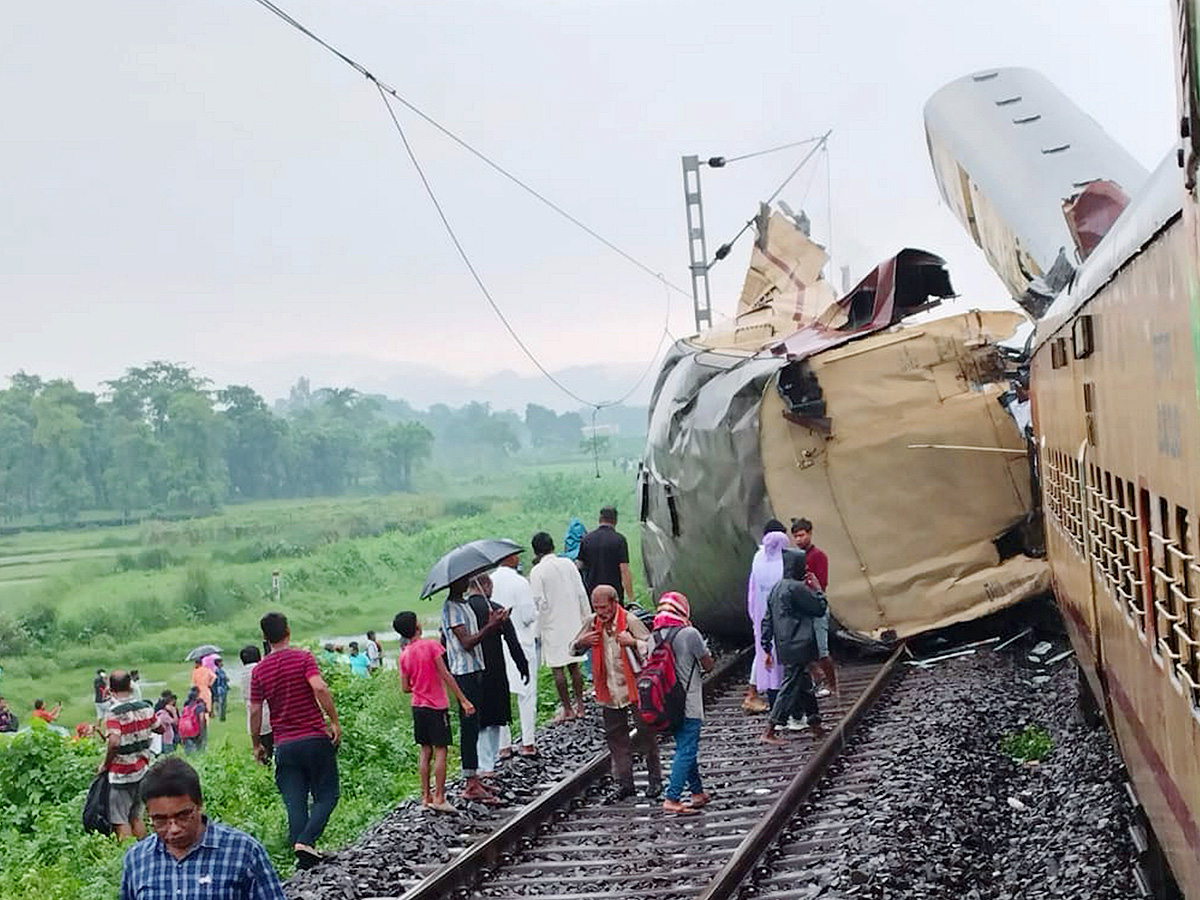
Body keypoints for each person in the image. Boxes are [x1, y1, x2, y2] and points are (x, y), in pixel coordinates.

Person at [118, 756, 287, 900]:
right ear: (148, 814)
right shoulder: (137, 859)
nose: (174, 829)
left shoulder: (243, 852)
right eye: (160, 820)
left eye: (183, 816)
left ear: (199, 805)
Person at [250, 611, 342, 869]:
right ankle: (305, 842)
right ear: (288, 631)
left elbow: (255, 710)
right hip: (314, 739)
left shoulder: (259, 671)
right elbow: (319, 687)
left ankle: (303, 859)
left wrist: (256, 744)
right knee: (328, 794)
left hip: (284, 745)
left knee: (295, 801)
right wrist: (334, 720)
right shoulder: (303, 658)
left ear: (265, 637)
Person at [571, 585, 662, 802]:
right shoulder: (592, 622)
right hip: (609, 690)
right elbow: (572, 648)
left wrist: (633, 642)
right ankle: (625, 783)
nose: (600, 612)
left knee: (646, 733)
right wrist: (581, 643)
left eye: (604, 607)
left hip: (635, 687)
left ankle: (655, 780)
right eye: (596, 607)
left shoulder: (630, 620)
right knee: (615, 738)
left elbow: (653, 647)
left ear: (614, 603)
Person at [394, 610, 476, 813]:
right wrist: (463, 700)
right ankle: (439, 796)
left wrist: (419, 686)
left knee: (425, 750)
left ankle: (425, 797)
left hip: (418, 706)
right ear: (417, 627)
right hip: (436, 706)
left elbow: (405, 687)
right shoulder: (431, 646)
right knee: (440, 750)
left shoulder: (403, 655)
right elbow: (446, 675)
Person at [441, 576, 508, 804]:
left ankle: (475, 778)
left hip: (476, 668)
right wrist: (490, 627)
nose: (467, 582)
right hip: (464, 672)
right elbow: (467, 642)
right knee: (469, 727)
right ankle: (470, 782)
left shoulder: (463, 605)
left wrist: (492, 622)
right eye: (463, 580)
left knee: (475, 723)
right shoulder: (452, 608)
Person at [651, 592, 714, 815]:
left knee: (686, 747)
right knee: (686, 749)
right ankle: (672, 797)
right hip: (689, 702)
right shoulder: (689, 633)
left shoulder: (654, 636)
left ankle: (697, 792)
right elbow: (708, 665)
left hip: (666, 702)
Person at [760, 549, 829, 745]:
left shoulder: (777, 588)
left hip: (785, 645)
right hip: (800, 644)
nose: (805, 569)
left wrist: (766, 645)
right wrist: (818, 589)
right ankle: (771, 728)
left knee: (804, 684)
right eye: (803, 565)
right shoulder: (797, 588)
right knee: (790, 685)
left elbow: (767, 620)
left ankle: (815, 724)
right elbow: (819, 608)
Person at [465, 573, 530, 776]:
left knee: (476, 718)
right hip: (494, 670)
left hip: (469, 672)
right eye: (491, 587)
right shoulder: (495, 610)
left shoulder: (463, 611)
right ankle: (489, 764)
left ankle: (476, 764)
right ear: (485, 585)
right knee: (493, 718)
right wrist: (523, 666)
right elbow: (512, 642)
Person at [530, 532, 591, 721]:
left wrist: (536, 631)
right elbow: (581, 592)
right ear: (553, 546)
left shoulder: (537, 571)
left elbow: (539, 603)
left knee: (558, 668)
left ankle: (568, 709)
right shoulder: (568, 564)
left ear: (536, 551)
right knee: (574, 666)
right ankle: (580, 705)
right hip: (573, 621)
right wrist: (587, 619)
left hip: (551, 624)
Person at [490, 551, 540, 757]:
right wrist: (537, 613)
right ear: (509, 558)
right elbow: (528, 616)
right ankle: (528, 742)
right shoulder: (520, 582)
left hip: (497, 644)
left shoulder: (490, 581)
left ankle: (504, 745)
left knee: (500, 693)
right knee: (526, 693)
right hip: (522, 642)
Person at [100, 669, 159, 839]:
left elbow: (114, 742)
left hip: (121, 774)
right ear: (131, 686)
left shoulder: (113, 713)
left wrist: (105, 765)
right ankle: (143, 848)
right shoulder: (146, 708)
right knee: (136, 816)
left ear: (111, 690)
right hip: (142, 769)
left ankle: (127, 851)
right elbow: (160, 728)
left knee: (120, 819)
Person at [745, 523, 790, 713]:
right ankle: (785, 707)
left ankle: (772, 704)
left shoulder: (758, 558)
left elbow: (752, 592)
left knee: (765, 655)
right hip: (783, 618)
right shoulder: (785, 560)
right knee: (783, 660)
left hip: (762, 616)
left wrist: (754, 616)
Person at [791, 517, 836, 695]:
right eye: (796, 536)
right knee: (804, 649)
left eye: (802, 535)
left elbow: (821, 584)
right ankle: (818, 678)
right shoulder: (796, 557)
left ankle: (832, 685)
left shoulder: (818, 556)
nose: (799, 539)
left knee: (822, 650)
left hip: (816, 608)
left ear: (809, 534)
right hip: (803, 608)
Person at [577, 506, 634, 603]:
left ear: (600, 519)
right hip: (613, 595)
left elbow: (579, 566)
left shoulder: (587, 539)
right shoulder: (619, 540)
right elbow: (624, 570)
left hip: (592, 595)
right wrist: (631, 599)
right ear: (615, 521)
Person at [239, 645, 273, 762]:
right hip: (269, 719)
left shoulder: (242, 675)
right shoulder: (261, 670)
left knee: (264, 758)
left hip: (254, 723)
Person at [180, 688, 209, 755]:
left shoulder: (186, 706)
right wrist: (202, 732)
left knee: (188, 751)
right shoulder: (199, 706)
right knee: (200, 750)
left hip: (185, 731)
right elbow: (201, 719)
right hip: (196, 731)